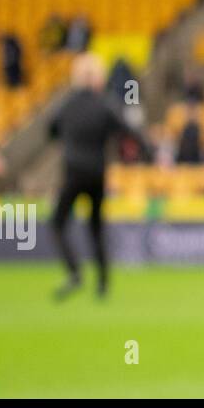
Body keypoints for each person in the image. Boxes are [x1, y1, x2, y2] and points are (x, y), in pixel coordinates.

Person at [48, 53, 145, 300]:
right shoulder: (105, 104)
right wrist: (152, 152)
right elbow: (128, 130)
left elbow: (51, 129)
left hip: (73, 172)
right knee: (96, 228)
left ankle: (74, 272)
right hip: (97, 172)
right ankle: (102, 283)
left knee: (58, 222)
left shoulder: (68, 103)